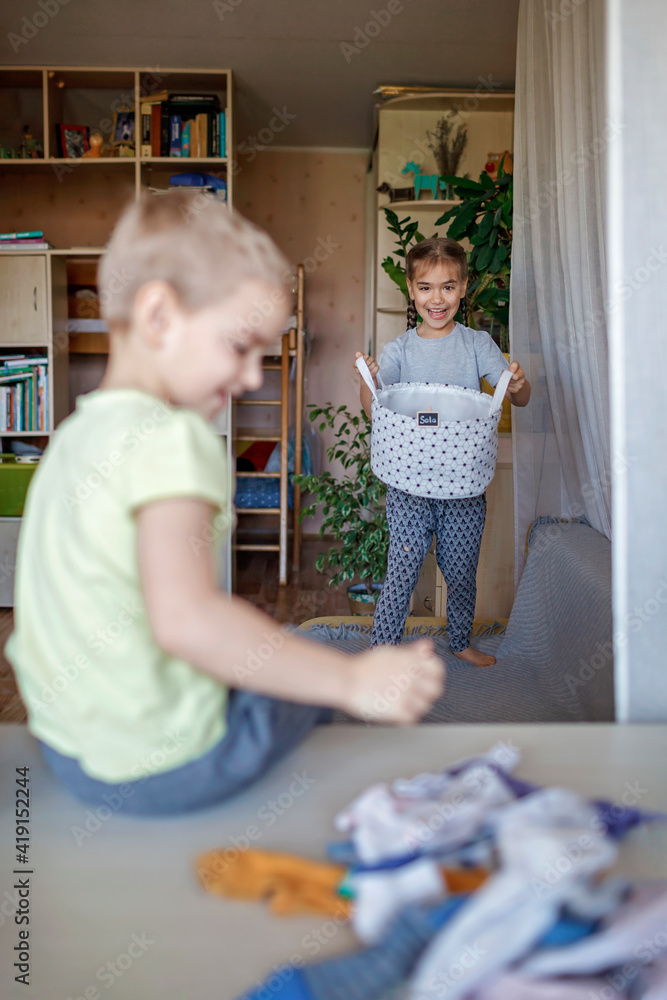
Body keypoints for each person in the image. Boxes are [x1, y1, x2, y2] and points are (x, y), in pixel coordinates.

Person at [6, 193, 444, 815]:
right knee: (314, 680)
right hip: (158, 762)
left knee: (276, 648)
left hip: (69, 747)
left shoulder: (75, 434)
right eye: (240, 346)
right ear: (159, 315)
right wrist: (353, 682)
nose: (248, 377)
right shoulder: (170, 436)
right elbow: (187, 621)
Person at [356, 237, 530, 667]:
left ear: (464, 287)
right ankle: (383, 652)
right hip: (409, 483)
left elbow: (514, 398)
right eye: (427, 288)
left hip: (463, 484)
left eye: (448, 287)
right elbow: (374, 408)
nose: (438, 298)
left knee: (460, 570)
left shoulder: (477, 345)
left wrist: (519, 386)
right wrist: (369, 381)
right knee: (401, 569)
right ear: (412, 292)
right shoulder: (399, 350)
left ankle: (459, 641)